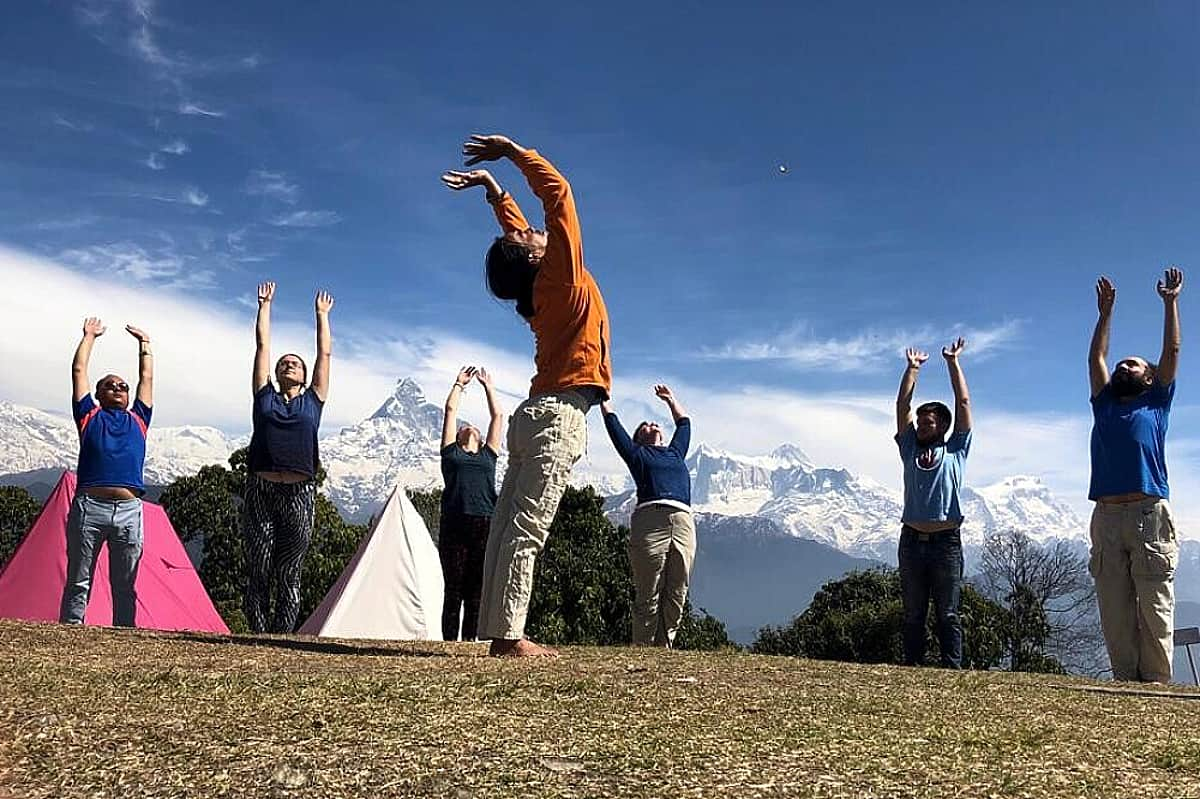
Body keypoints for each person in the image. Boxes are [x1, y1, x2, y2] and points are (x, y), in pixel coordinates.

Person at [441, 133, 612, 657]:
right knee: (527, 527)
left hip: (535, 414)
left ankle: (499, 633)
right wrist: (514, 154)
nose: (538, 232)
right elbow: (559, 197)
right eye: (534, 237)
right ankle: (509, 637)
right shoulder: (560, 278)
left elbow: (519, 234)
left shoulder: (540, 283)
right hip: (559, 414)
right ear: (536, 257)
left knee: (506, 527)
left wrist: (495, 190)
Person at [1087, 268, 1183, 683]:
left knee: (1155, 606)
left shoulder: (1157, 403)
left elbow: (1173, 350)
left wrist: (1170, 303)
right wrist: (1105, 315)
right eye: (1123, 363)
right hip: (1106, 516)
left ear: (1149, 377)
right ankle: (1125, 682)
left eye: (1135, 363)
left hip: (1148, 512)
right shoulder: (1105, 403)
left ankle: (1159, 688)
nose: (1125, 365)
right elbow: (1097, 359)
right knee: (1115, 610)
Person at [243, 282, 333, 634]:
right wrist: (264, 306)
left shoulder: (314, 399)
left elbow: (324, 356)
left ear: (305, 374)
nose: (288, 364)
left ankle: (282, 635)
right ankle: (258, 633)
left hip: (300, 494)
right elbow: (262, 346)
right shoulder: (264, 396)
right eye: (284, 363)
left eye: (294, 363)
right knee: (259, 566)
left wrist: (321, 316)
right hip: (262, 489)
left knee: (289, 570)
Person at [60, 317, 154, 627]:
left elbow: (147, 378)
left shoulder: (139, 418)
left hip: (129, 510)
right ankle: (71, 631)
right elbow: (78, 372)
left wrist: (145, 345)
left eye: (122, 387)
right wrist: (89, 336)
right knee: (78, 579)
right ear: (98, 395)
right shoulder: (88, 416)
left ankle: (124, 637)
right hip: (90, 507)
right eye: (109, 386)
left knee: (125, 584)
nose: (117, 388)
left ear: (129, 397)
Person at [894, 337, 972, 668]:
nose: (922, 426)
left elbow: (964, 402)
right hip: (911, 539)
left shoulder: (956, 449)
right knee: (913, 613)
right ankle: (912, 668)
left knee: (948, 613)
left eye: (928, 422)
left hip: (946, 542)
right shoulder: (909, 448)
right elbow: (901, 407)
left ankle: (952, 671)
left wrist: (953, 363)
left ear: (942, 425)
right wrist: (912, 370)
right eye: (920, 422)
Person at [601, 384, 695, 647]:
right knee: (649, 589)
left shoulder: (676, 453)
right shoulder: (637, 455)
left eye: (654, 423)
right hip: (649, 521)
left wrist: (671, 400)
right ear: (638, 438)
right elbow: (614, 428)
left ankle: (665, 646)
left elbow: (685, 425)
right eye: (644, 425)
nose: (651, 424)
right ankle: (642, 646)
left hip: (683, 520)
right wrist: (604, 401)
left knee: (678, 588)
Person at [439, 365, 504, 641]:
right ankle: (449, 642)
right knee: (453, 587)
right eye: (465, 428)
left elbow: (498, 416)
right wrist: (459, 384)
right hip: (454, 520)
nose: (469, 427)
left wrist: (488, 387)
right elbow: (450, 411)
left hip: (484, 521)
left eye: (474, 428)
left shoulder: (489, 456)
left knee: (476, 588)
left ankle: (470, 642)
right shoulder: (450, 454)